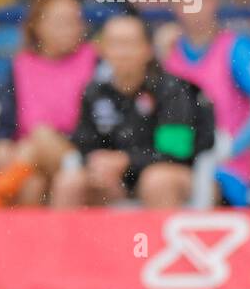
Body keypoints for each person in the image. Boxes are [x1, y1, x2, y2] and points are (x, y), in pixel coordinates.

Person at [0, 0, 97, 257]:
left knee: (41, 135)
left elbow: (98, 123)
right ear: (38, 25)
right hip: (33, 162)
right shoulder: (22, 65)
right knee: (31, 183)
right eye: (60, 21)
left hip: (78, 155)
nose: (70, 29)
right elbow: (5, 121)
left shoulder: (95, 62)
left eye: (74, 21)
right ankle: (32, 267)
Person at [51, 12, 214, 209]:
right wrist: (100, 167)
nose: (122, 52)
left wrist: (127, 161)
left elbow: (176, 152)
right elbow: (84, 144)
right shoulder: (95, 92)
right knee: (69, 183)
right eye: (115, 44)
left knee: (156, 181)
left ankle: (156, 240)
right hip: (116, 181)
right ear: (102, 50)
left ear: (147, 49)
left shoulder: (172, 90)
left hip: (177, 176)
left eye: (129, 43)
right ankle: (64, 240)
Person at [162, 0, 250, 206]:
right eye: (183, 1)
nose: (192, 8)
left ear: (213, 2)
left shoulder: (236, 49)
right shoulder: (169, 52)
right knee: (159, 184)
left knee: (202, 190)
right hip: (178, 164)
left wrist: (232, 147)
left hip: (226, 169)